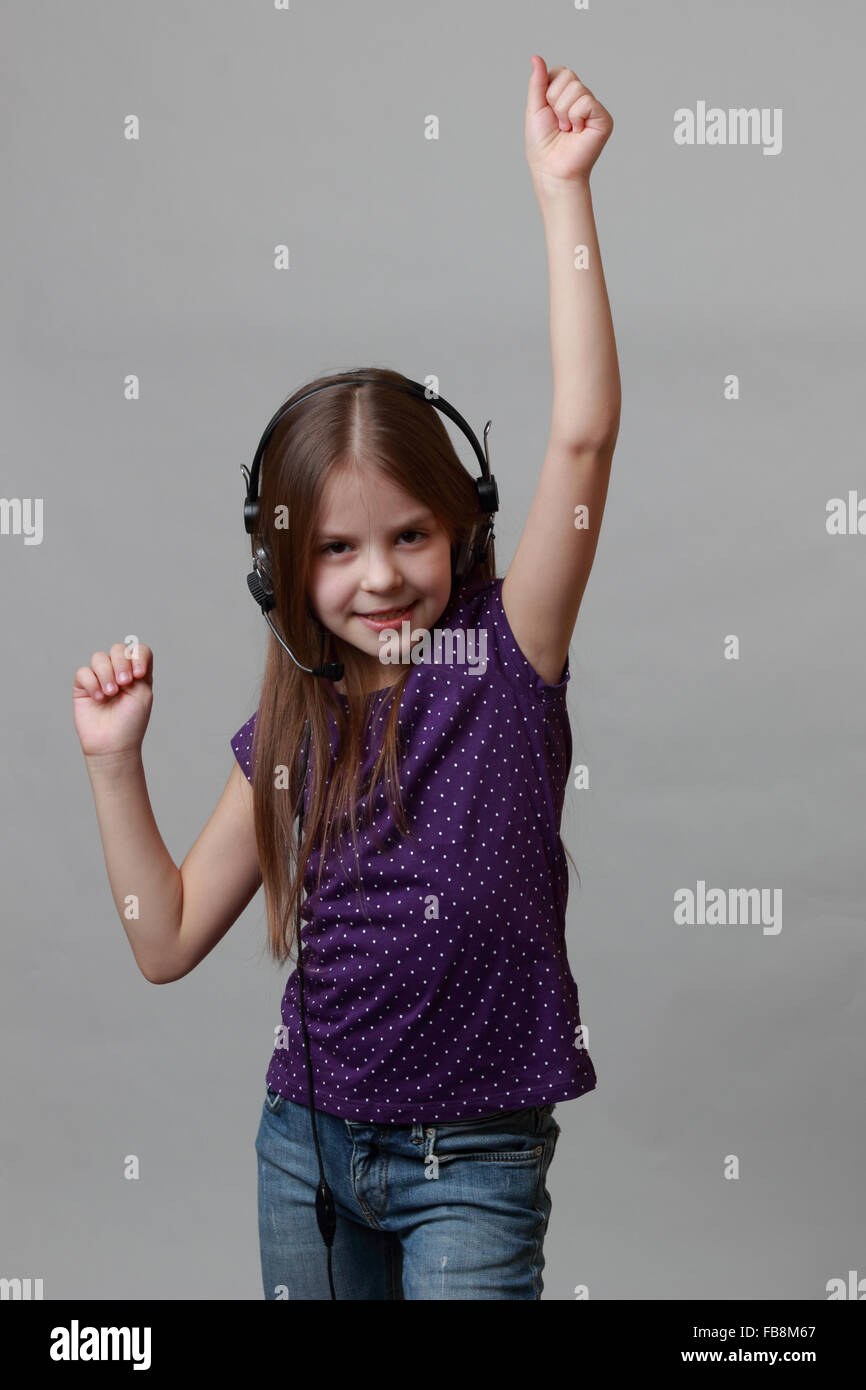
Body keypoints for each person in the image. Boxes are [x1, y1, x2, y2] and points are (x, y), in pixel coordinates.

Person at [73, 55, 619, 1300]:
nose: (378, 578)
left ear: (463, 527)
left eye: (408, 536)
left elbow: (583, 430)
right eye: (334, 549)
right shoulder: (289, 726)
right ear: (284, 571)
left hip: (470, 1162)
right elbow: (159, 940)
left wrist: (561, 192)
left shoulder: (506, 652)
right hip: (306, 1156)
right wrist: (114, 764)